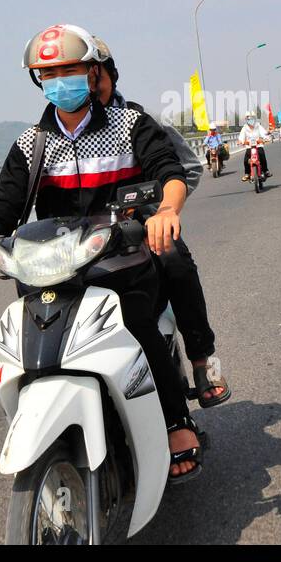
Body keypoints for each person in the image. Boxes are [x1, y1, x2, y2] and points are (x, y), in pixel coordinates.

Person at [0, 24, 205, 481]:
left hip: (122, 260)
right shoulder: (32, 143)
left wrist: (167, 209)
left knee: (138, 328)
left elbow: (169, 169)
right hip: (56, 270)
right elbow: (6, 203)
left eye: (69, 69)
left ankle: (174, 419)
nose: (59, 79)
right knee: (30, 341)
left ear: (92, 74)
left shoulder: (131, 126)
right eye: (48, 72)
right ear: (38, 81)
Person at [91, 36, 231, 408]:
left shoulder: (139, 122)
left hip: (144, 227)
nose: (87, 88)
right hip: (87, 237)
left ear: (110, 76)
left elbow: (185, 168)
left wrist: (161, 209)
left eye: (94, 77)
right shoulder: (53, 136)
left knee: (173, 258)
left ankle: (202, 362)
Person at [238, 112, 271, 182]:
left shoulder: (258, 126)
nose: (250, 120)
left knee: (262, 156)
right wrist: (241, 141)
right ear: (246, 119)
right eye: (248, 118)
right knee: (246, 160)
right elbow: (241, 136)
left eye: (251, 118)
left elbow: (264, 133)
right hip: (249, 147)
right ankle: (247, 173)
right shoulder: (244, 128)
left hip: (258, 145)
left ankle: (265, 171)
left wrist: (265, 138)